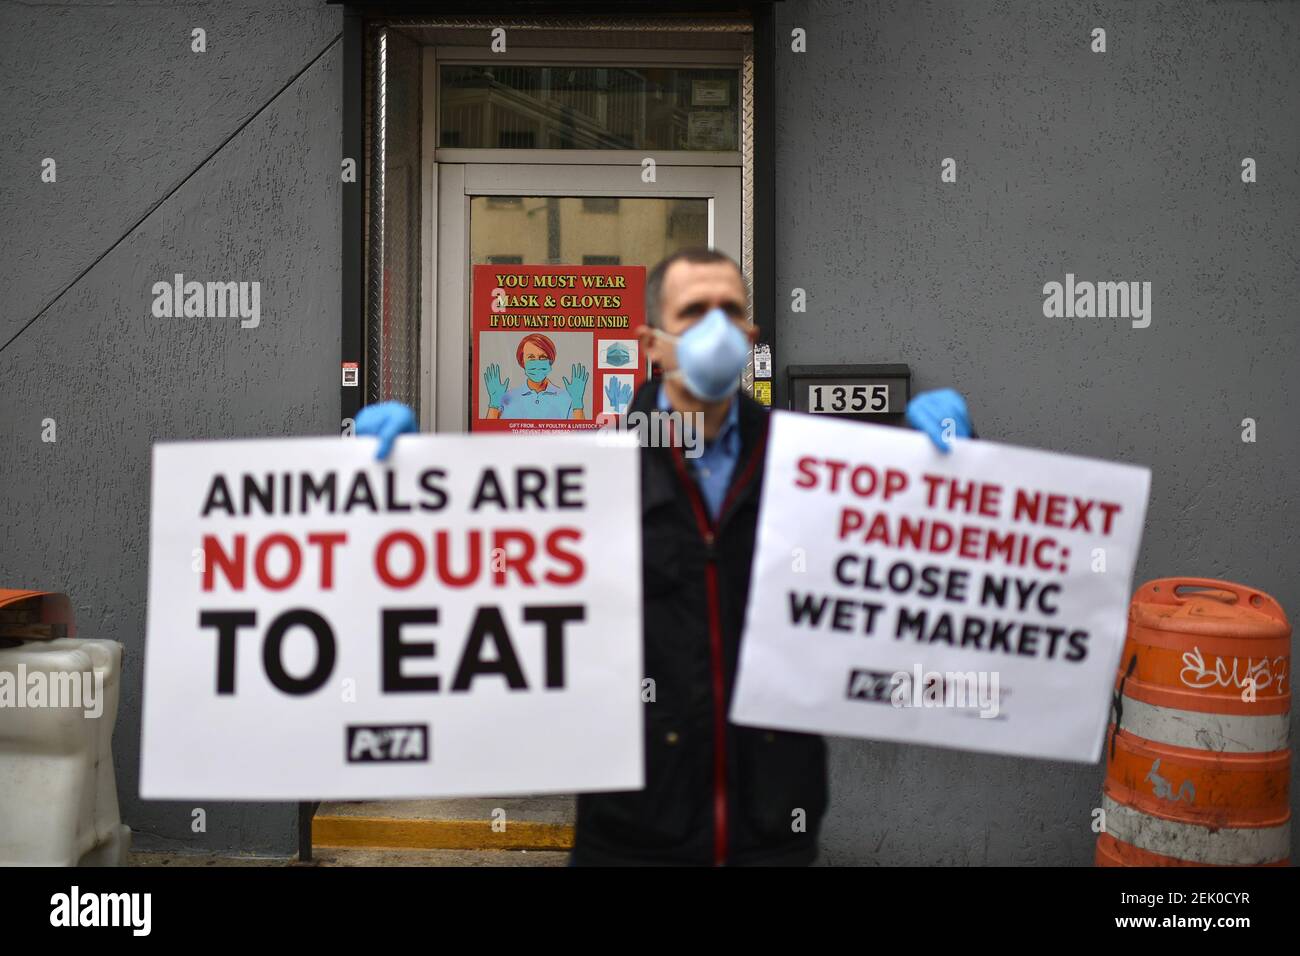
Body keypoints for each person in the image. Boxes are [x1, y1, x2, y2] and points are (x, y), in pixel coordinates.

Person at [355, 249, 974, 865]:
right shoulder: (587, 475)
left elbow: (901, 589)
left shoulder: (807, 468)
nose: (715, 328)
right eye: (694, 311)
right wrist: (407, 488)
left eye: (730, 310)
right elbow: (473, 593)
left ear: (751, 336)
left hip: (773, 833)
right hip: (631, 834)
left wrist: (950, 481)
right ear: (652, 343)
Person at [482, 332, 588, 421]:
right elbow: (488, 437)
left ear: (550, 361)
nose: (537, 363)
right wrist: (494, 403)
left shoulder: (567, 398)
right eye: (531, 357)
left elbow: (579, 438)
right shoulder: (505, 397)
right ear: (522, 361)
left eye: (542, 357)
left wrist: (577, 402)